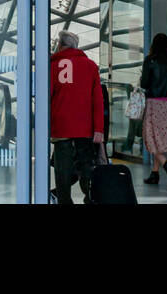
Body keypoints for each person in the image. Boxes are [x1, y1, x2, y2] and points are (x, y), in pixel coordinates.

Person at [50, 29, 104, 205]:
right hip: (85, 128)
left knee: (62, 171)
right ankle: (90, 198)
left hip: (61, 127)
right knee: (87, 168)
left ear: (60, 45)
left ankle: (64, 201)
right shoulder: (90, 66)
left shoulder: (53, 66)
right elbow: (98, 101)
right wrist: (99, 130)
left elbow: (47, 97)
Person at [140, 32, 167, 185]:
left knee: (150, 138)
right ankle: (154, 174)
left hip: (153, 104)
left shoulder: (149, 60)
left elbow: (144, 83)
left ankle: (166, 164)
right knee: (160, 138)